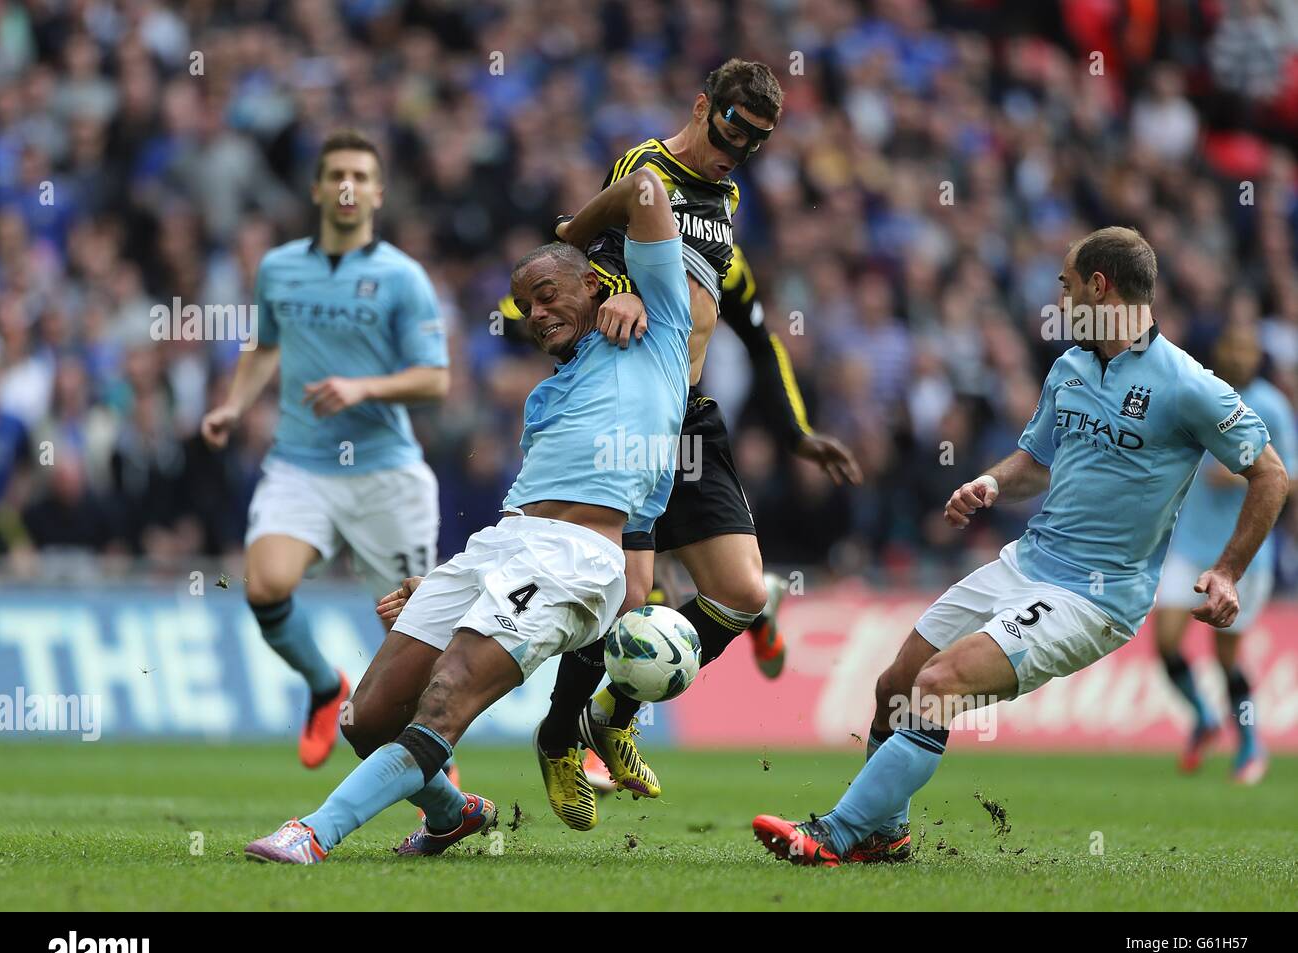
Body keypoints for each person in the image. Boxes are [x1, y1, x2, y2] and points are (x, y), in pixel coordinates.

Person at [752, 227, 1289, 866]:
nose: (1056, 299)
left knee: (938, 683)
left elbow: (1271, 473)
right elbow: (1038, 460)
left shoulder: (1188, 384)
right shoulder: (1070, 367)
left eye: (1064, 285)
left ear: (1100, 286)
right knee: (894, 685)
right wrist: (989, 482)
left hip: (1096, 597)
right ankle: (885, 832)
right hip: (1027, 560)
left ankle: (834, 834)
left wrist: (1228, 570)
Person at [243, 165, 692, 863]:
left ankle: (314, 831)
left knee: (446, 694)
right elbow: (527, 505)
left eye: (548, 295)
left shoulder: (659, 330)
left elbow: (647, 194)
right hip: (504, 545)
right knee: (370, 716)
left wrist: (578, 234)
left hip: (575, 559)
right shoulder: (543, 401)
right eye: (525, 308)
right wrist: (446, 585)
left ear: (597, 285)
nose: (537, 314)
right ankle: (454, 815)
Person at [534, 59, 862, 828]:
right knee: (626, 592)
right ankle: (557, 738)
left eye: (753, 143)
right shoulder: (647, 168)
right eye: (730, 132)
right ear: (702, 106)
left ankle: (612, 712)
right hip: (629, 413)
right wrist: (609, 288)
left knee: (744, 593)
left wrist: (797, 430)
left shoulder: (728, 199)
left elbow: (747, 324)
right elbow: (588, 261)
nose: (735, 151)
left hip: (690, 416)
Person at [201, 129, 449, 769]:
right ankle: (323, 686)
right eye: (337, 173)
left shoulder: (402, 277)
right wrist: (233, 405)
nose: (348, 186)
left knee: (410, 635)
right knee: (265, 583)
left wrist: (363, 386)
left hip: (385, 474)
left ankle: (441, 774)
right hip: (300, 464)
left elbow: (436, 378)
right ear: (316, 187)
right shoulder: (280, 267)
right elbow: (264, 347)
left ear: (377, 192)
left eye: (361, 176)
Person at [1153, 323, 1297, 784]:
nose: (1242, 353)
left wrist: (1241, 475)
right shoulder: (1198, 392)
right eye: (1234, 344)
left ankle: (1251, 742)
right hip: (1188, 543)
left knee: (1225, 656)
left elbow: (1289, 476)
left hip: (1241, 549)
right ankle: (1204, 716)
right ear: (1221, 349)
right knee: (1165, 642)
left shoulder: (1271, 405)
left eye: (1249, 347)